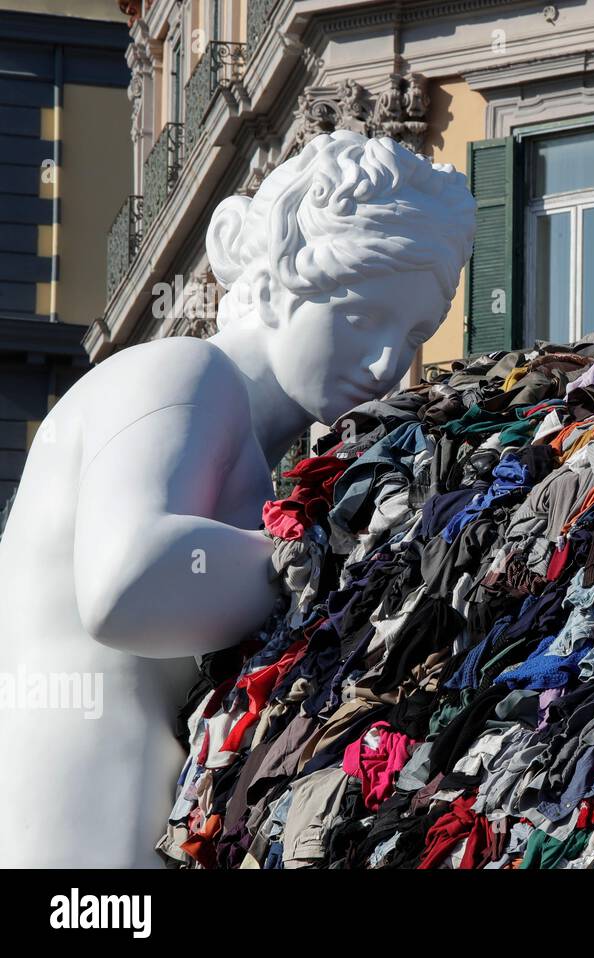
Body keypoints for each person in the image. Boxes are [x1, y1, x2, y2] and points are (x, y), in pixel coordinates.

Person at [0, 131, 475, 866]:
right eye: (360, 318)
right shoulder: (184, 372)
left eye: (413, 336)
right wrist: (331, 562)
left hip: (132, 806)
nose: (387, 364)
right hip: (80, 809)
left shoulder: (243, 440)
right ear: (281, 283)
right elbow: (127, 582)